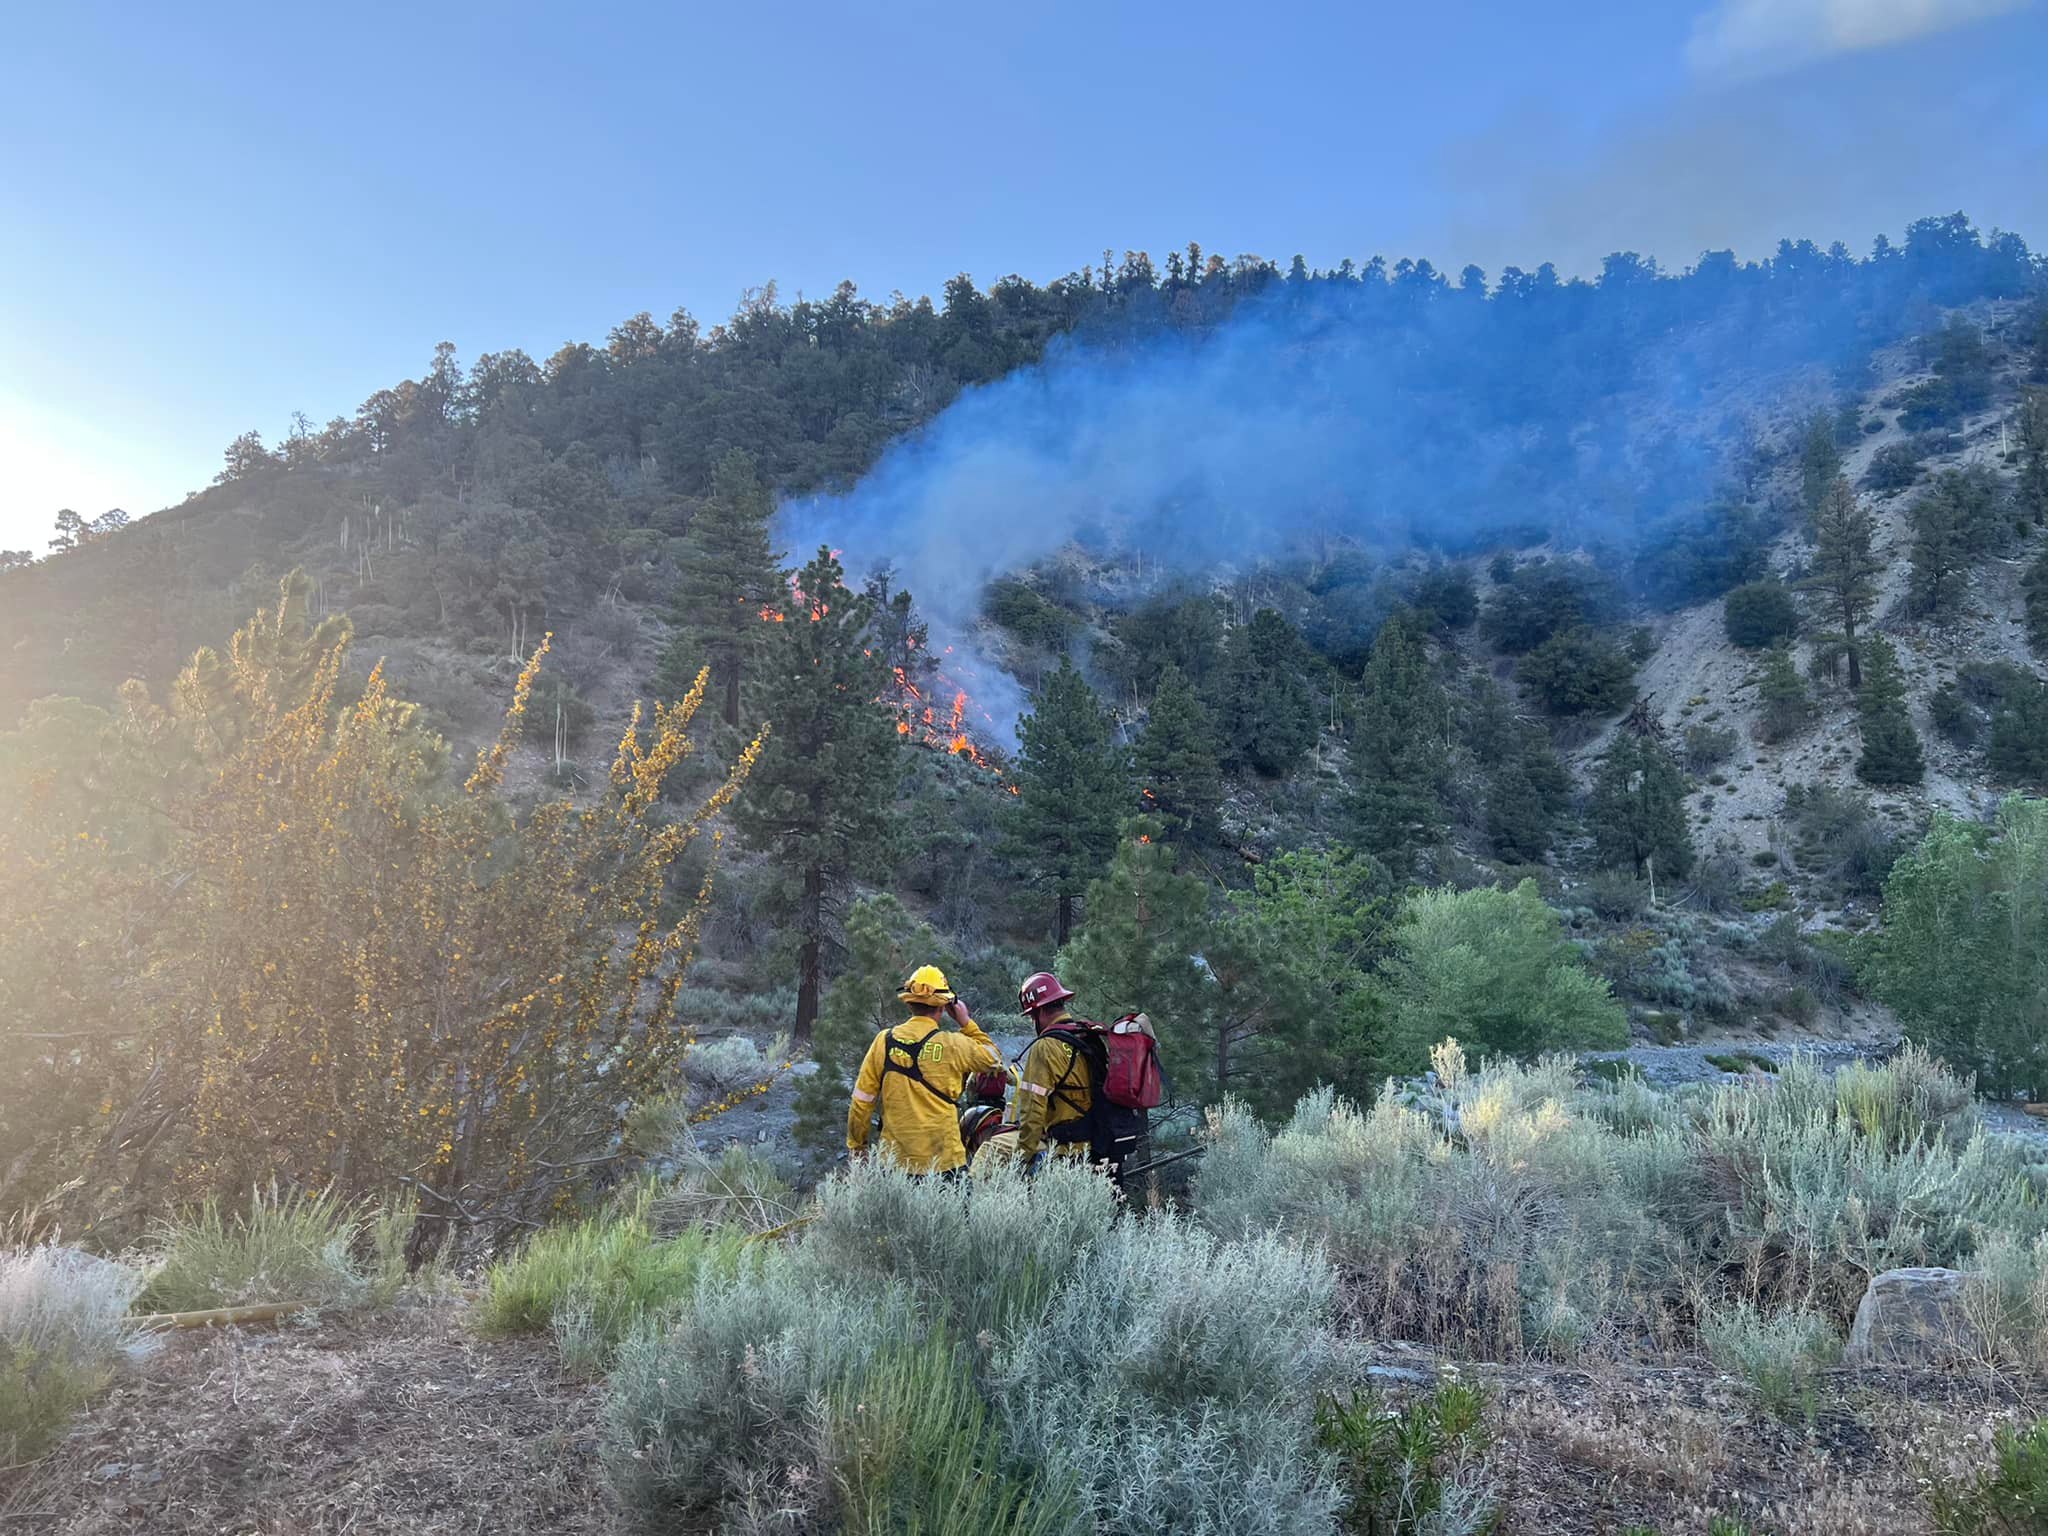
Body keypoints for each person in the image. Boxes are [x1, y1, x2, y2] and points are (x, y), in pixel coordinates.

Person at [846, 964, 1000, 1176]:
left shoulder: (884, 1041)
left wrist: (858, 1146)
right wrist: (965, 1022)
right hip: (945, 1163)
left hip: (894, 1162)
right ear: (944, 1005)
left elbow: (862, 1102)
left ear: (909, 1002)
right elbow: (993, 1059)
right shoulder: (954, 1044)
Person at [1013, 970, 1103, 1169]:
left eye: (1031, 1016)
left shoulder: (1045, 1047)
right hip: (1102, 1149)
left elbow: (1032, 1112)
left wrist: (1020, 1161)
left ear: (1040, 1012)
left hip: (1069, 1154)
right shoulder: (1087, 1036)